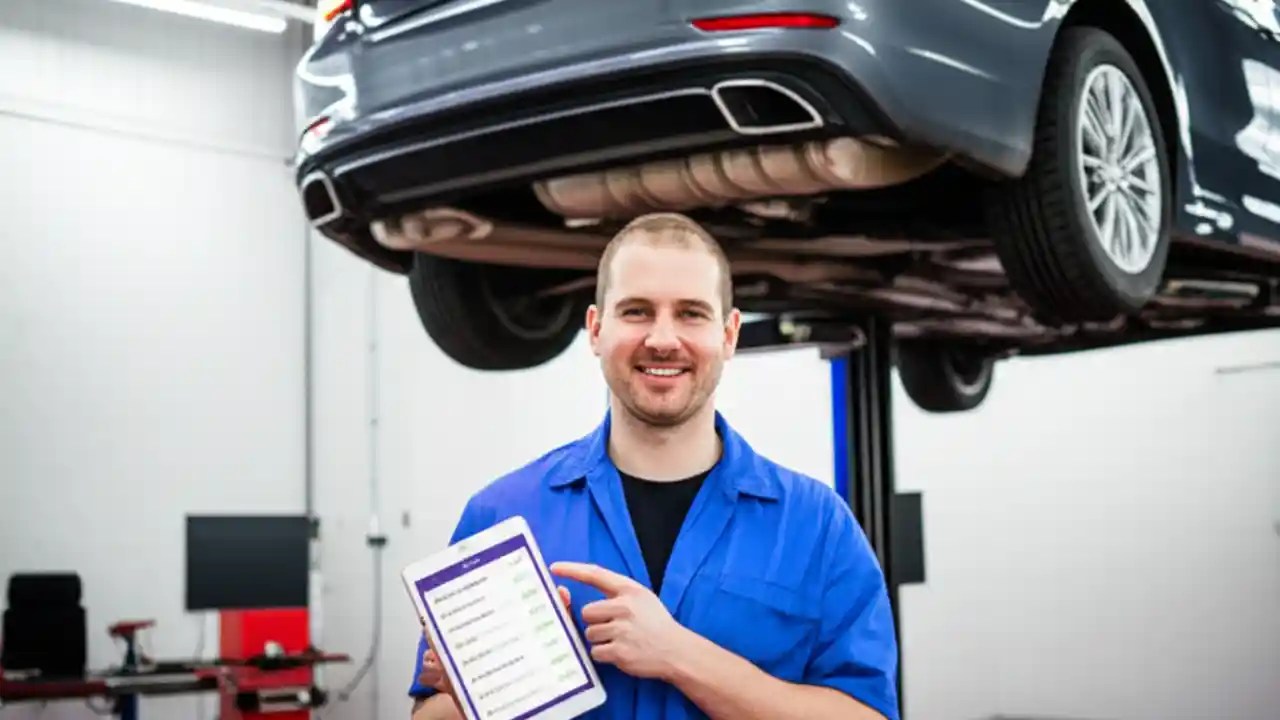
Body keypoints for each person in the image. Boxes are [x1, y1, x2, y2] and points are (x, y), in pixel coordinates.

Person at [408, 212, 899, 720]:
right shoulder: (502, 516)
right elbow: (430, 713)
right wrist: (482, 696)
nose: (663, 338)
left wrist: (678, 655)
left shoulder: (817, 527)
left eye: (690, 313)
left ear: (729, 334)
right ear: (596, 330)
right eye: (637, 311)